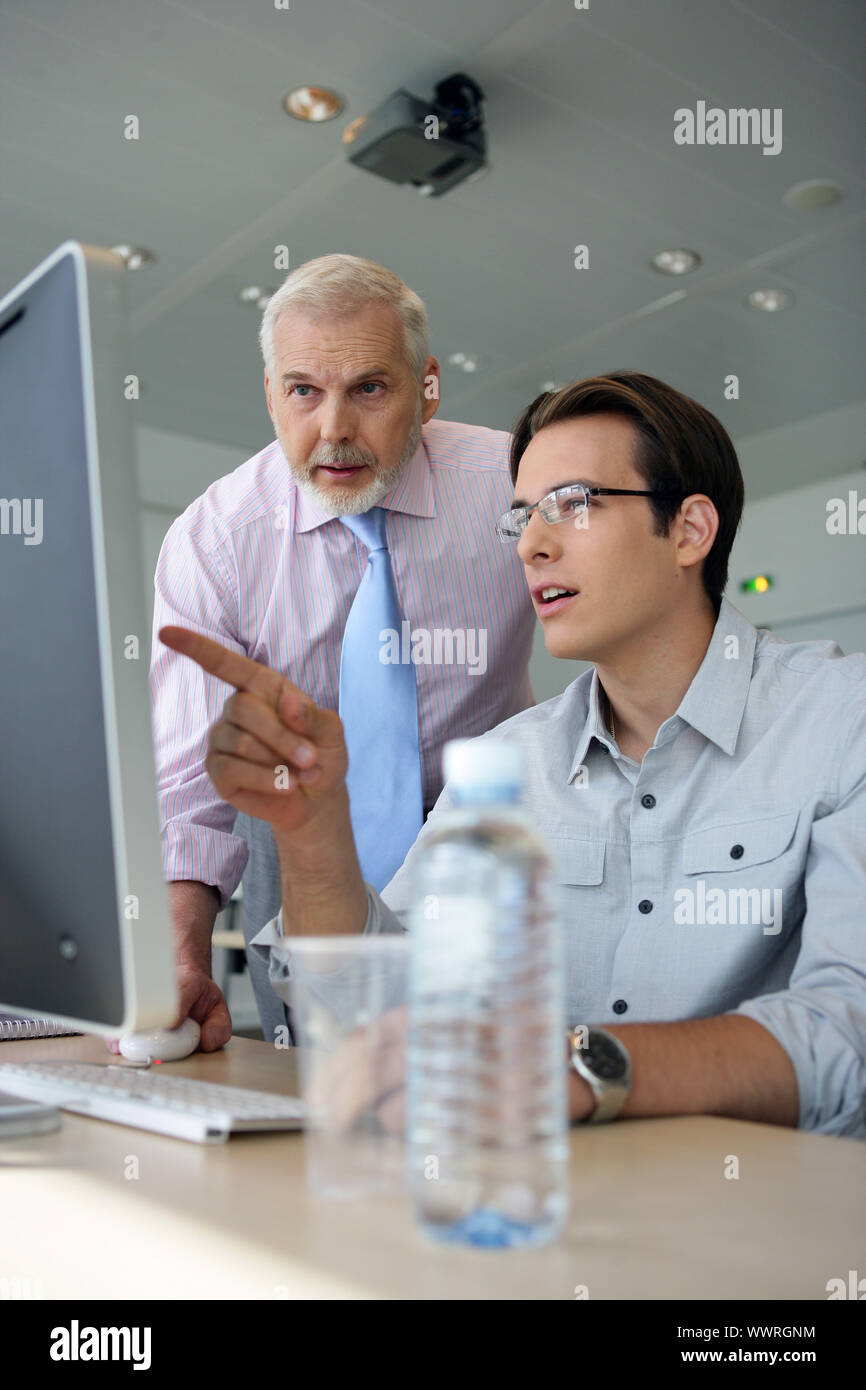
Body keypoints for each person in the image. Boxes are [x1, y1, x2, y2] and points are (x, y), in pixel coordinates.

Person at [160, 371, 866, 1137]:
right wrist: (312, 828)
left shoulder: (839, 718)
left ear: (691, 531)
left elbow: (847, 1034)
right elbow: (371, 1008)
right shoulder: (507, 761)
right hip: (536, 1223)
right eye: (522, 516)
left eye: (573, 504)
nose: (531, 543)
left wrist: (576, 1068)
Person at [145, 255, 536, 1051]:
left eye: (368, 388)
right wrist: (180, 960)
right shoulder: (215, 541)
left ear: (427, 387)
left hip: (482, 811)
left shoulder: (509, 484)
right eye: (302, 391)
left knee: (485, 1053)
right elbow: (188, 789)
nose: (333, 430)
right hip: (296, 820)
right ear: (269, 393)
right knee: (324, 1061)